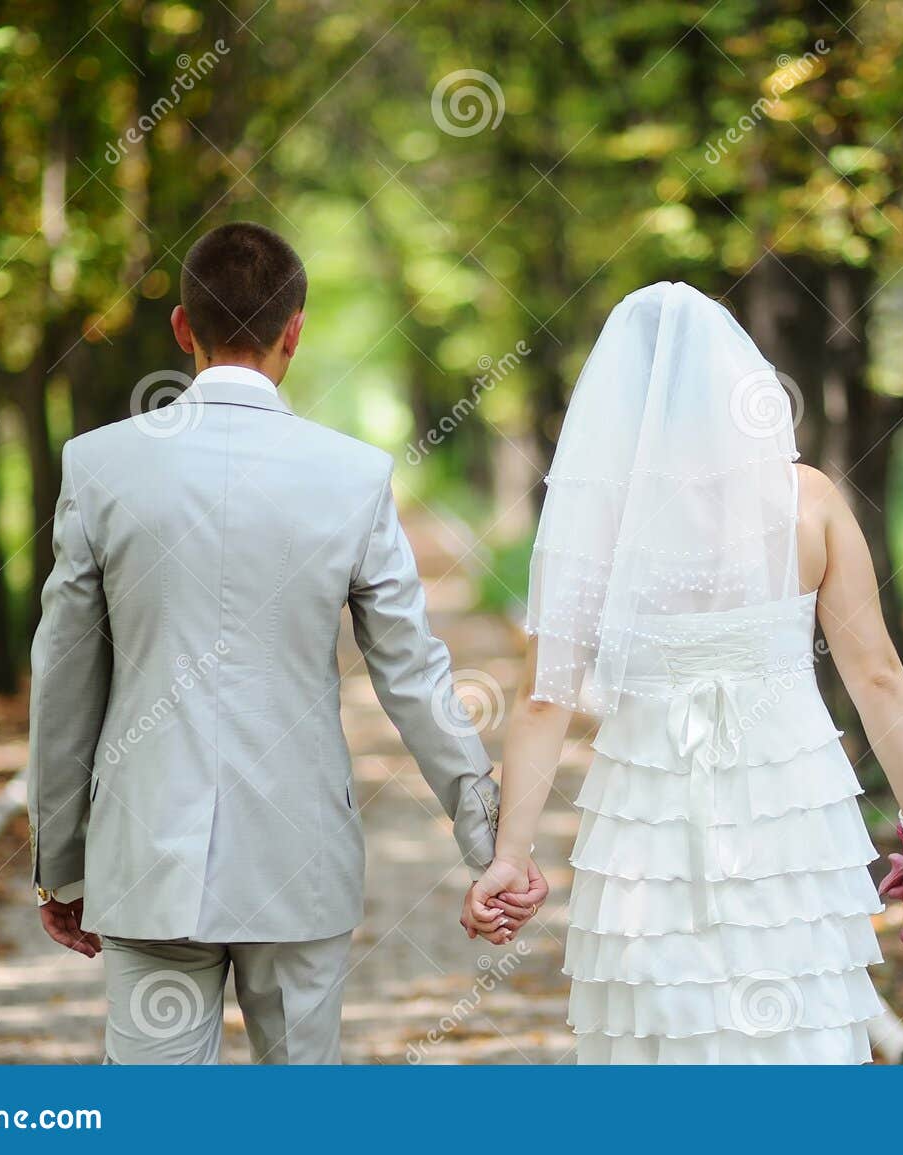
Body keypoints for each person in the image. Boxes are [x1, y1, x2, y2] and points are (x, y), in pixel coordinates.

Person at [27, 221, 545, 1064]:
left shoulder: (99, 466)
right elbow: (411, 673)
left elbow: (64, 676)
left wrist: (64, 861)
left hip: (147, 857)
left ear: (182, 328)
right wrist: (487, 843)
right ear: (294, 329)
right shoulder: (353, 475)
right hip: (297, 862)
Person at [465, 282, 903, 1063]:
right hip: (792, 811)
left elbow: (544, 700)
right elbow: (875, 676)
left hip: (645, 825)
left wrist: (511, 853)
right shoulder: (809, 502)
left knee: (662, 1035)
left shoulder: (596, 519)